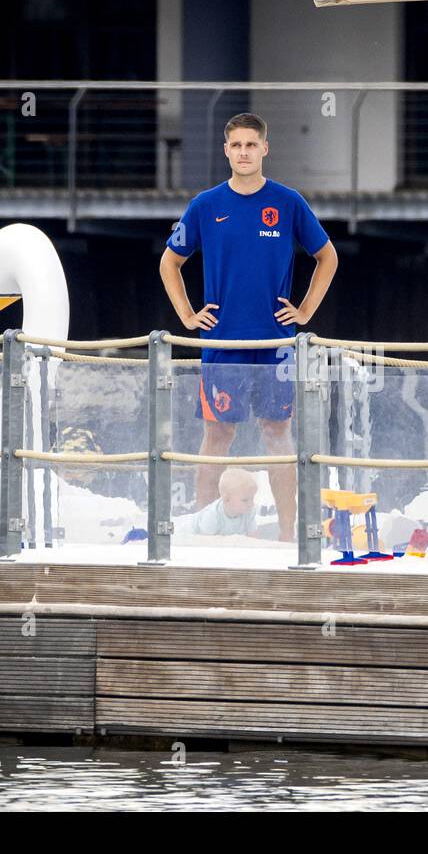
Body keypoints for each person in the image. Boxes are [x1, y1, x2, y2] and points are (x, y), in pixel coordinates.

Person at [160, 112, 338, 541]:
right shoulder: (205, 205)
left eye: (251, 145)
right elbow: (170, 262)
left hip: (276, 342)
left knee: (278, 434)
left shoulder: (288, 201)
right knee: (217, 434)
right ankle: (204, 530)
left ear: (264, 148)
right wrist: (187, 316)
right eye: (236, 145)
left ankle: (288, 534)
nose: (243, 152)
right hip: (221, 342)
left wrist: (306, 310)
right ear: (226, 150)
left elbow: (327, 256)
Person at [181, 467, 260, 537]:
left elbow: (253, 536)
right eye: (245, 500)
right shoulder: (212, 516)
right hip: (190, 535)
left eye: (252, 498)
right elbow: (204, 542)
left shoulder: (249, 512)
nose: (251, 504)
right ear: (226, 500)